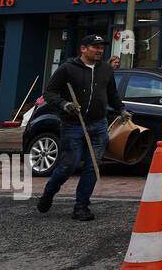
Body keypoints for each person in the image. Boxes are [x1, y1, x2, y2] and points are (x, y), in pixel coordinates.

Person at [36, 34, 125, 221]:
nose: (100, 50)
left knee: (93, 166)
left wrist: (121, 109)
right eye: (95, 47)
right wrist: (65, 105)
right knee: (70, 165)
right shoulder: (67, 69)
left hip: (99, 124)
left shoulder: (106, 70)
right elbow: (49, 93)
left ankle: (81, 206)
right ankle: (49, 193)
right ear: (83, 49)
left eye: (101, 47)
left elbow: (112, 94)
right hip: (73, 124)